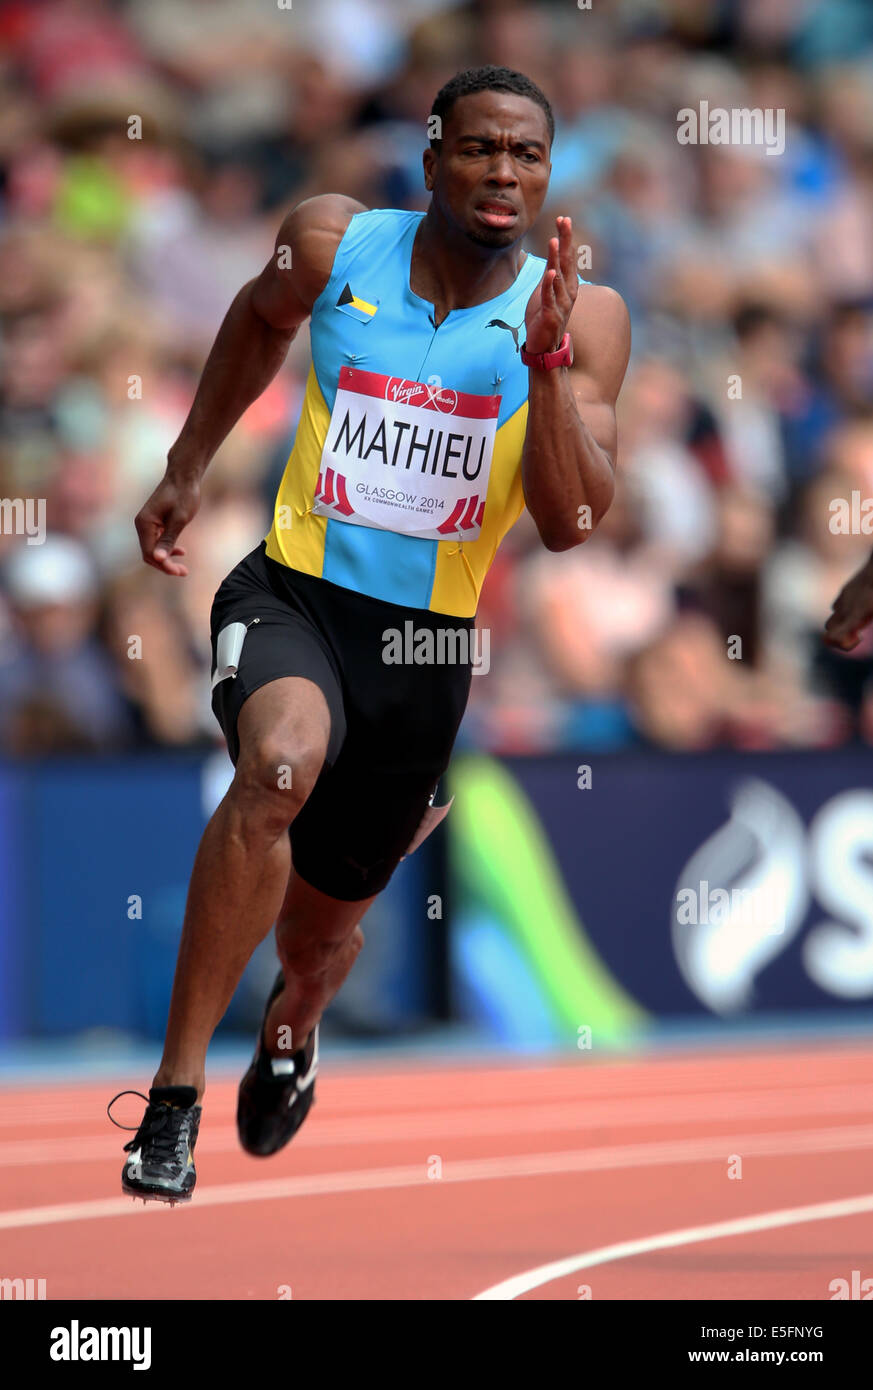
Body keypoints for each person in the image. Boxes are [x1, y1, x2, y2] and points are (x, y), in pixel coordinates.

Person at [110, 65, 630, 1203]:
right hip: (294, 592)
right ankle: (174, 1097)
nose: (505, 173)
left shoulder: (581, 314)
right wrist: (186, 468)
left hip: (426, 652)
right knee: (277, 763)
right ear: (432, 151)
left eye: (529, 155)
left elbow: (573, 521)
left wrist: (542, 372)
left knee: (316, 943)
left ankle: (295, 1021)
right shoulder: (333, 241)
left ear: (549, 177)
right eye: (483, 147)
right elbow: (256, 320)